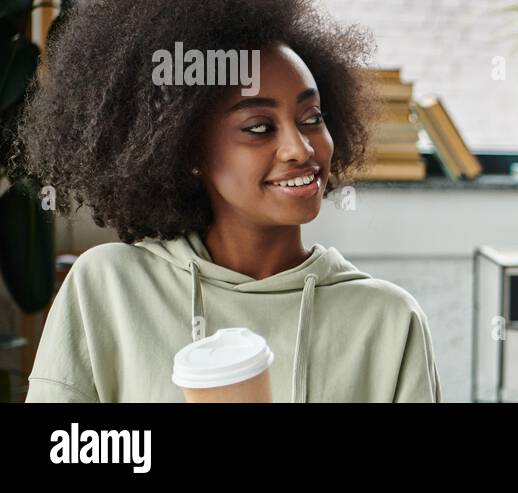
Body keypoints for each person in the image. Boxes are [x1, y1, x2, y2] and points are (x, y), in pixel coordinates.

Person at [18, 0, 439, 402]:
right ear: (188, 150)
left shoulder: (389, 320)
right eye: (259, 127)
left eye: (312, 119)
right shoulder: (108, 288)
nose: (300, 148)